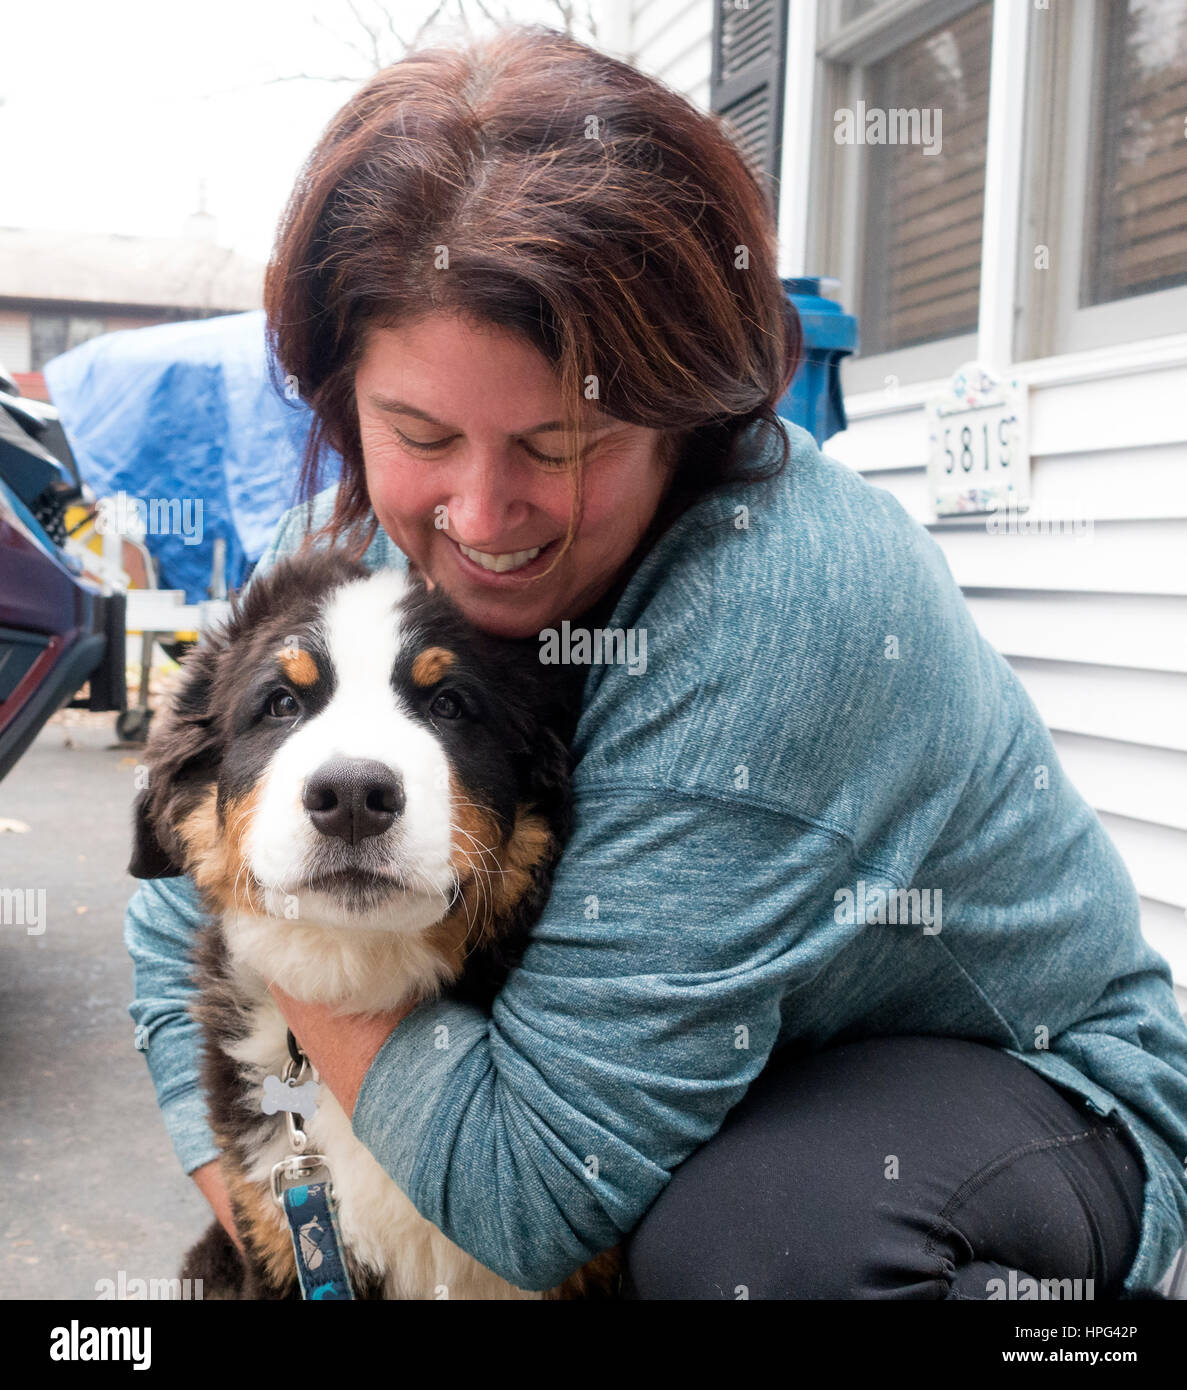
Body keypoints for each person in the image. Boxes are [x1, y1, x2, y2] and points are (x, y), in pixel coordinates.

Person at [124, 23, 1187, 1299]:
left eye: (558, 444)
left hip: (1021, 1097)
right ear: (347, 400)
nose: (476, 512)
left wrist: (303, 954)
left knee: (758, 1249)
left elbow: (536, 1191)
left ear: (685, 405)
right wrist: (271, 1219)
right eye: (417, 431)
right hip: (683, 1066)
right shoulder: (355, 555)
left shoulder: (780, 610)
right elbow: (172, 888)